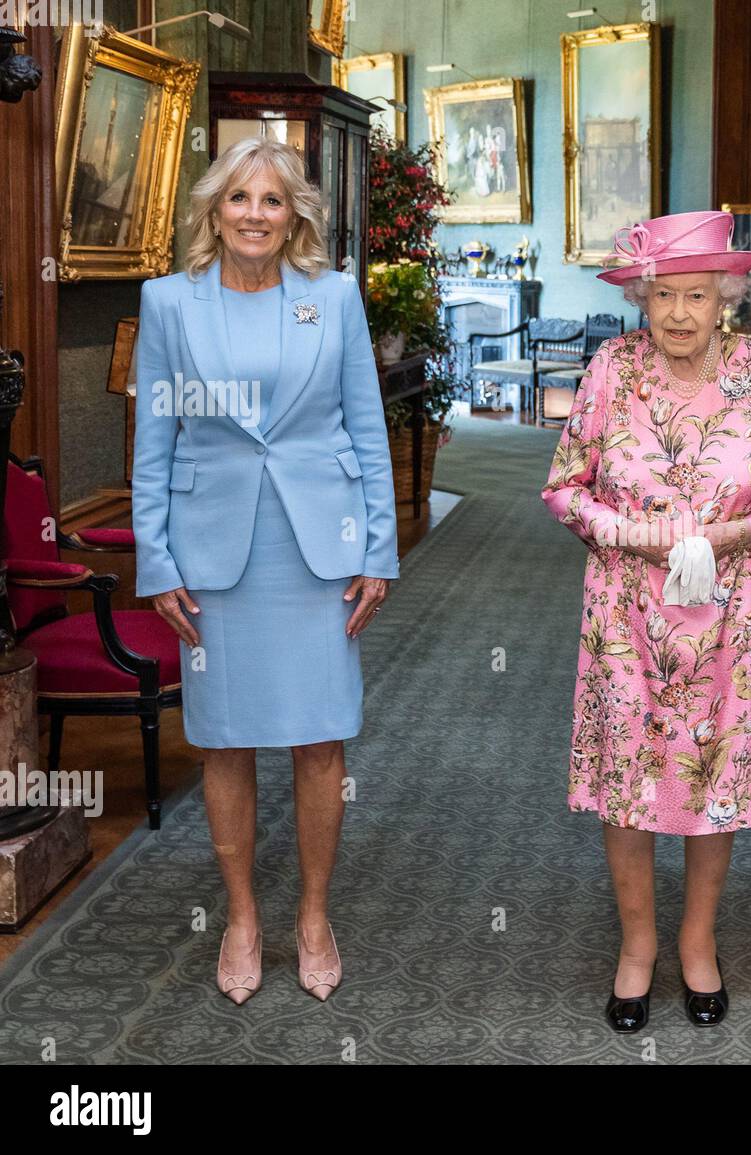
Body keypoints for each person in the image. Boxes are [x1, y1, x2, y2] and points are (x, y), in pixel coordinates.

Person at [132, 137, 399, 1004]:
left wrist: (378, 550)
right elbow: (153, 443)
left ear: (296, 219)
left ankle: (314, 914)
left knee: (321, 737)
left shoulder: (335, 299)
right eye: (239, 198)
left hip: (319, 550)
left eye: (273, 200)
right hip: (212, 556)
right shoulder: (168, 304)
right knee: (225, 737)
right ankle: (243, 915)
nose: (255, 213)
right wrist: (156, 557)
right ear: (215, 210)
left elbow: (366, 427)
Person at [541, 210, 751, 1032]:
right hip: (625, 611)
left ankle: (697, 940)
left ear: (726, 294)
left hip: (727, 616)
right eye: (662, 296)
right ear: (641, 295)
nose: (678, 315)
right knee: (628, 783)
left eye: (697, 296)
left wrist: (732, 533)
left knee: (712, 779)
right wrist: (622, 529)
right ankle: (638, 945)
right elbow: (564, 486)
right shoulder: (607, 369)